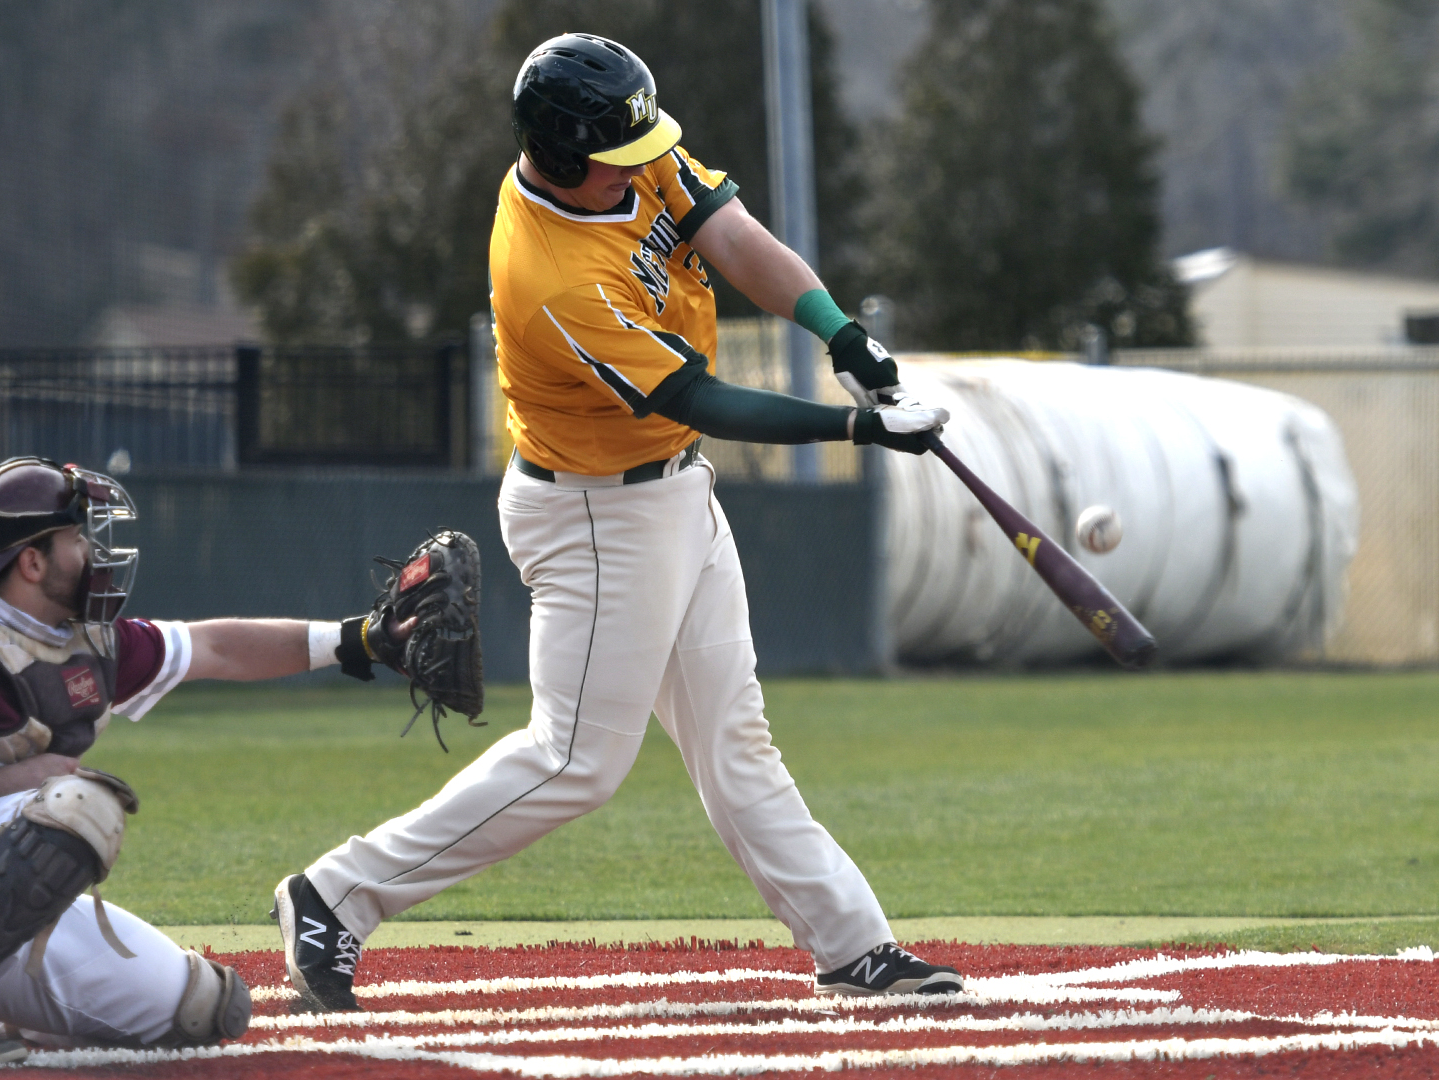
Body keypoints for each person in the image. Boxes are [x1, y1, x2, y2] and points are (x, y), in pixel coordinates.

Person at [271, 33, 959, 1011]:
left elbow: (730, 234)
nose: (645, 167)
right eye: (619, 157)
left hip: (673, 493)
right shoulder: (549, 276)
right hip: (595, 516)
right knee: (576, 762)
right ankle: (334, 895)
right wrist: (859, 426)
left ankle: (854, 945)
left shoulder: (625, 154)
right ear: (561, 154)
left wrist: (844, 336)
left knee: (735, 738)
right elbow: (705, 399)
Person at [0, 456, 400, 1062]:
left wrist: (361, 640)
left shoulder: (78, 638)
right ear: (32, 561)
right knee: (75, 806)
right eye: (76, 536)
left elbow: (216, 648)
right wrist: (21, 781)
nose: (93, 550)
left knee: (205, 1008)